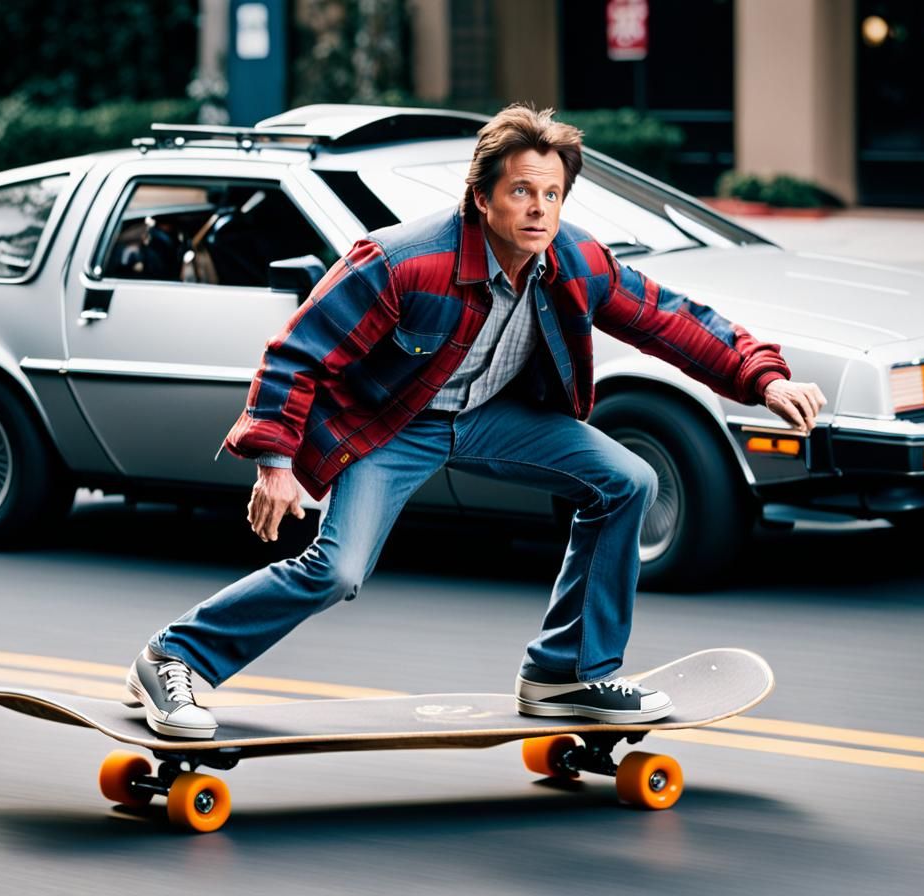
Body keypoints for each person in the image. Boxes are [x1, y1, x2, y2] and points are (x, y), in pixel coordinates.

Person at [126, 104, 826, 738]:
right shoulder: (404, 261)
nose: (539, 210)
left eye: (552, 194)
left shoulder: (575, 261)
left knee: (628, 480)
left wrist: (762, 377)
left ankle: (565, 674)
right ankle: (173, 657)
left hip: (493, 417)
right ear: (482, 196)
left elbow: (669, 319)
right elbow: (297, 352)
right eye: (521, 191)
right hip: (392, 426)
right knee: (337, 571)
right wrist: (275, 462)